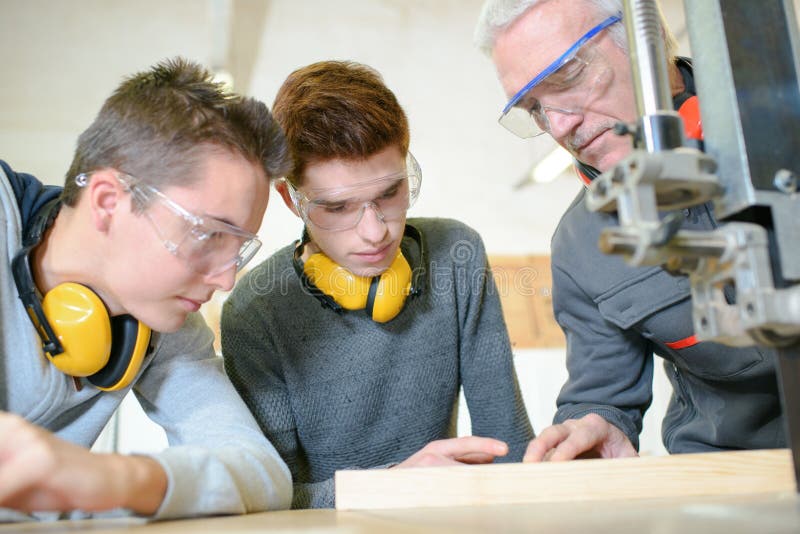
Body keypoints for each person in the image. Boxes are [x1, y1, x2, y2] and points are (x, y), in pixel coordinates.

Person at [474, 0, 784, 461]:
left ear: (649, 41)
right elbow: (603, 394)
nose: (560, 125)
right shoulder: (581, 244)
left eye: (566, 77)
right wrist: (596, 425)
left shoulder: (785, 131)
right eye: (535, 107)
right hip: (728, 472)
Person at [221, 60, 534, 509]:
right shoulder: (255, 311)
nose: (375, 232)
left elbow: (508, 444)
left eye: (389, 193)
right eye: (337, 207)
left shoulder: (456, 254)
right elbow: (269, 498)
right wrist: (390, 486)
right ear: (292, 200)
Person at [0, 57, 292, 522]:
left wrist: (117, 479)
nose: (226, 279)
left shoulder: (163, 320)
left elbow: (260, 472)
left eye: (237, 248)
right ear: (108, 202)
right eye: (209, 234)